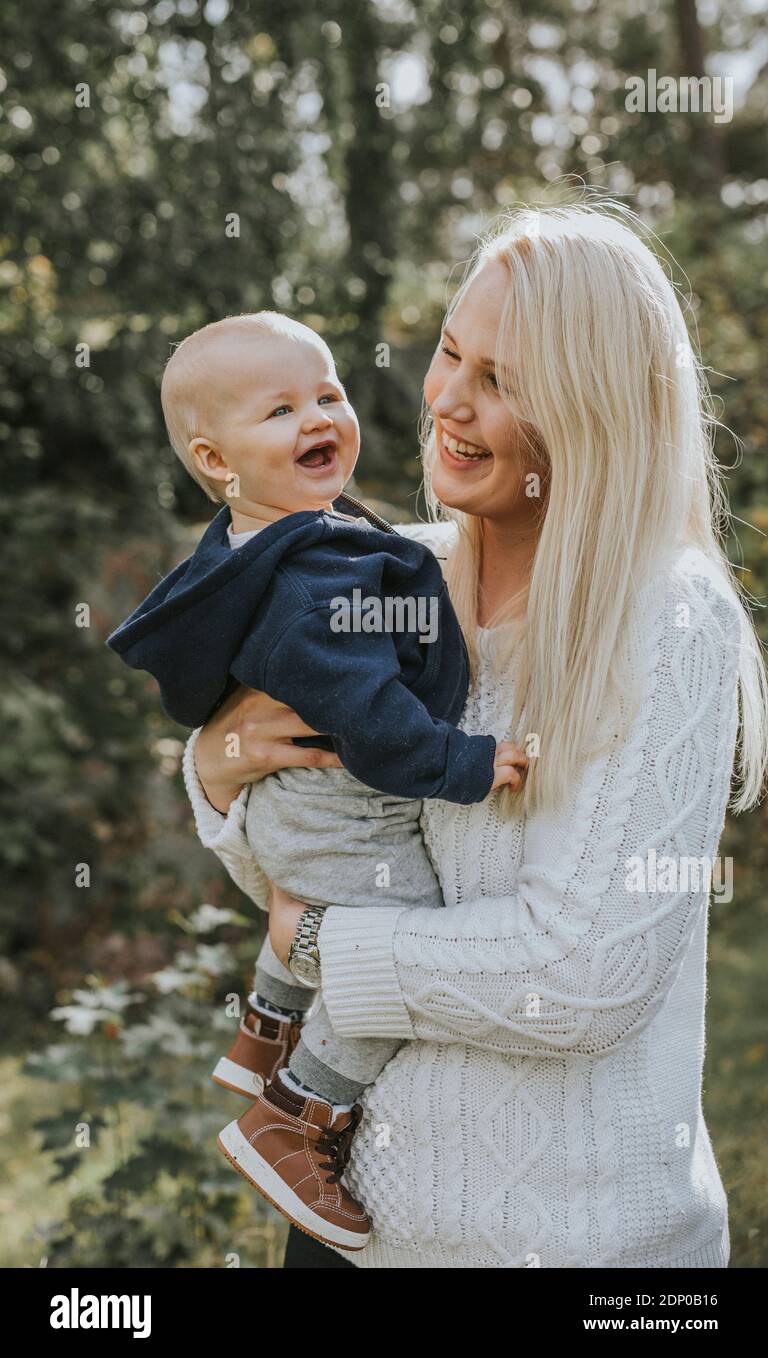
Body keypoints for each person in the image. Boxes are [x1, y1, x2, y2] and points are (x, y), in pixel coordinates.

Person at [186, 202, 768, 1269]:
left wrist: (317, 944)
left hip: (574, 1248)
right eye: (452, 351)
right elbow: (320, 848)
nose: (448, 399)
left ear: (591, 412)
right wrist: (216, 770)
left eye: (502, 380)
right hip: (343, 1227)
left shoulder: (664, 616)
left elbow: (585, 973)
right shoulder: (385, 580)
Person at [106, 311, 526, 1252]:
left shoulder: (281, 544)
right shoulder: (319, 579)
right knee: (397, 944)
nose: (319, 417)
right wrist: (465, 762)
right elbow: (373, 729)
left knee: (338, 917)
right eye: (281, 409)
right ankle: (298, 1110)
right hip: (339, 813)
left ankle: (263, 1024)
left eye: (329, 394)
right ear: (217, 459)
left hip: (297, 812)